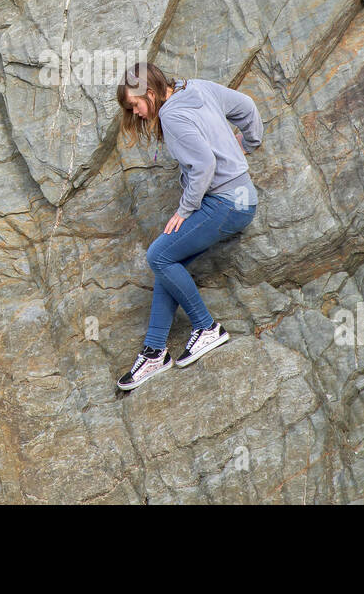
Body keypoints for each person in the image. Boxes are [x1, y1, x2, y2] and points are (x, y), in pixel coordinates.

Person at [113, 61, 263, 390]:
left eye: (135, 105)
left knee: (158, 256)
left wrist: (186, 208)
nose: (136, 113)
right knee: (169, 261)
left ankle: (206, 328)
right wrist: (247, 143)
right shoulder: (196, 86)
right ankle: (154, 351)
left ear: (149, 93)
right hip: (238, 198)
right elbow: (247, 106)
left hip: (226, 204)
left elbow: (204, 164)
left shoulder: (171, 115)